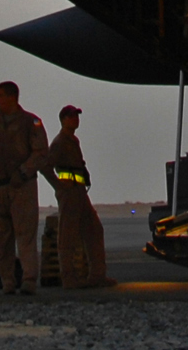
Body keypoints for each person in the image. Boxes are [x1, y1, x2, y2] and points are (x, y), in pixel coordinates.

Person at [36, 104, 115, 288]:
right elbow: (45, 166)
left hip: (79, 192)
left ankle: (97, 275)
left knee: (94, 230)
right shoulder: (60, 142)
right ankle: (69, 278)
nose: (75, 119)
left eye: (77, 116)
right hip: (69, 193)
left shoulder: (73, 141)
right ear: (63, 119)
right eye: (71, 116)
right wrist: (59, 187)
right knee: (67, 236)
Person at [0, 80, 47, 294]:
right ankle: (7, 281)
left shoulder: (31, 122)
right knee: (3, 240)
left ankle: (28, 279)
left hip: (23, 187)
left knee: (25, 235)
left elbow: (40, 152)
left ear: (12, 97)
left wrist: (23, 172)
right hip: (0, 189)